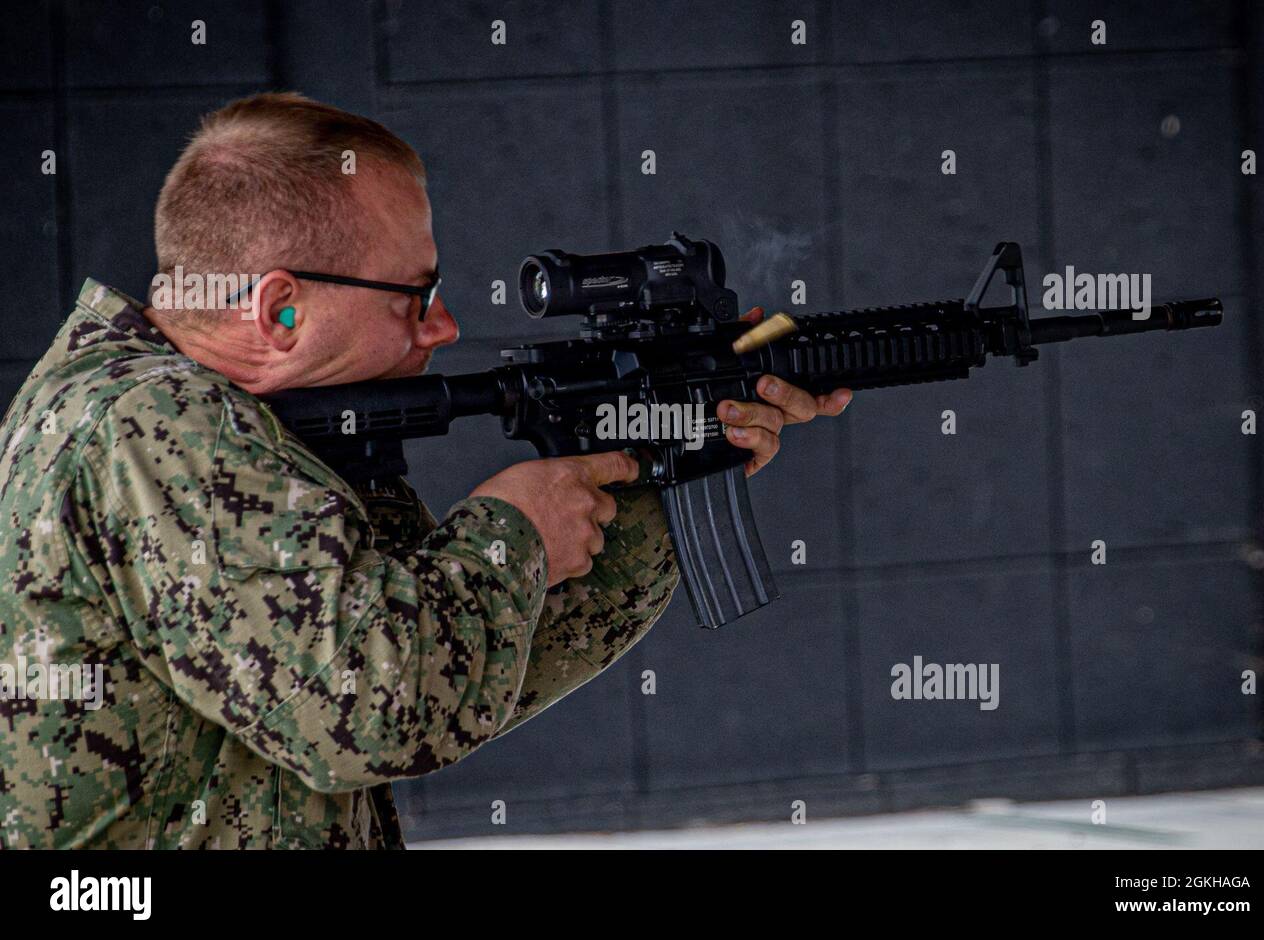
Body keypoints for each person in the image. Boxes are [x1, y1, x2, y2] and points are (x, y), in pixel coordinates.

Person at [0, 92, 850, 848]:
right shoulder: (156, 428)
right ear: (279, 308)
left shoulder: (183, 414)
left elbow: (456, 684)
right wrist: (513, 530)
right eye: (416, 294)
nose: (443, 327)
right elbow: (374, 712)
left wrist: (677, 459)